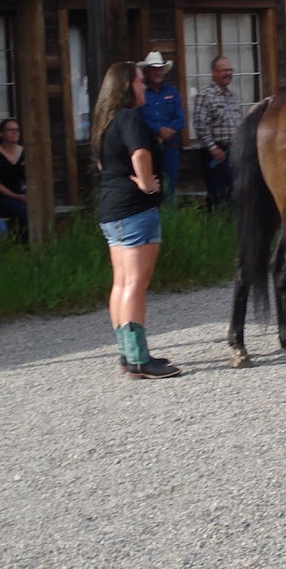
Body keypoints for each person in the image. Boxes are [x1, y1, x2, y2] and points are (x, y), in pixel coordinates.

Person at [92, 61, 181, 379]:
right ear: (128, 85)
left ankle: (128, 354)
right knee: (135, 285)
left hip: (112, 209)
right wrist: (145, 183)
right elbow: (141, 154)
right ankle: (140, 360)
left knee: (121, 283)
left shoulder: (105, 120)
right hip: (135, 211)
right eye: (141, 82)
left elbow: (104, 164)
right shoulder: (130, 118)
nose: (145, 86)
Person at [192, 55, 243, 212]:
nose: (228, 73)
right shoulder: (205, 95)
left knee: (233, 194)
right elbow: (200, 125)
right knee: (218, 195)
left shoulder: (232, 96)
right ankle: (216, 231)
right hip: (216, 154)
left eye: (230, 70)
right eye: (224, 70)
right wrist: (213, 149)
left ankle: (230, 232)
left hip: (233, 153)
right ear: (214, 72)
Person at [138, 50, 186, 203]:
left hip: (170, 149)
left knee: (170, 190)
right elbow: (141, 118)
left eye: (160, 69)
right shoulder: (142, 94)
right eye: (153, 69)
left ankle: (170, 223)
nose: (157, 72)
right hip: (150, 150)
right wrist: (159, 130)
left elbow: (180, 119)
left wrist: (167, 131)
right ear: (147, 71)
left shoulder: (172, 92)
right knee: (151, 190)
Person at [0, 118, 29, 231]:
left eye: (17, 130)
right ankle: (24, 244)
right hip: (0, 197)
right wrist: (17, 197)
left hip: (21, 193)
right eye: (10, 130)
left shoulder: (25, 152)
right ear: (1, 133)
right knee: (25, 212)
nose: (14, 133)